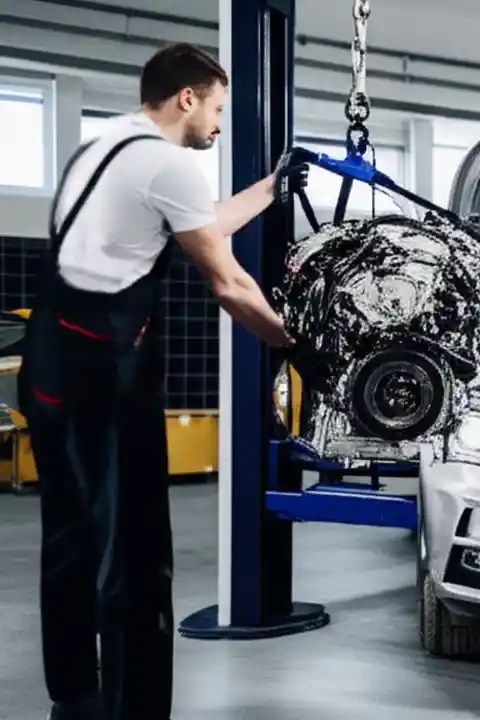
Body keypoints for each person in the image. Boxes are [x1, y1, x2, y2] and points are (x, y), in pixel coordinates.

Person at [17, 43, 310, 720]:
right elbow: (230, 283)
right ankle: (137, 709)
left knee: (70, 539)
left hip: (51, 364)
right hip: (106, 375)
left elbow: (196, 225)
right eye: (218, 108)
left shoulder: (105, 147)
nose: (218, 122)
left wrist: (270, 189)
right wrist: (297, 348)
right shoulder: (171, 163)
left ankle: (76, 693)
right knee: (138, 555)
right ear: (188, 97)